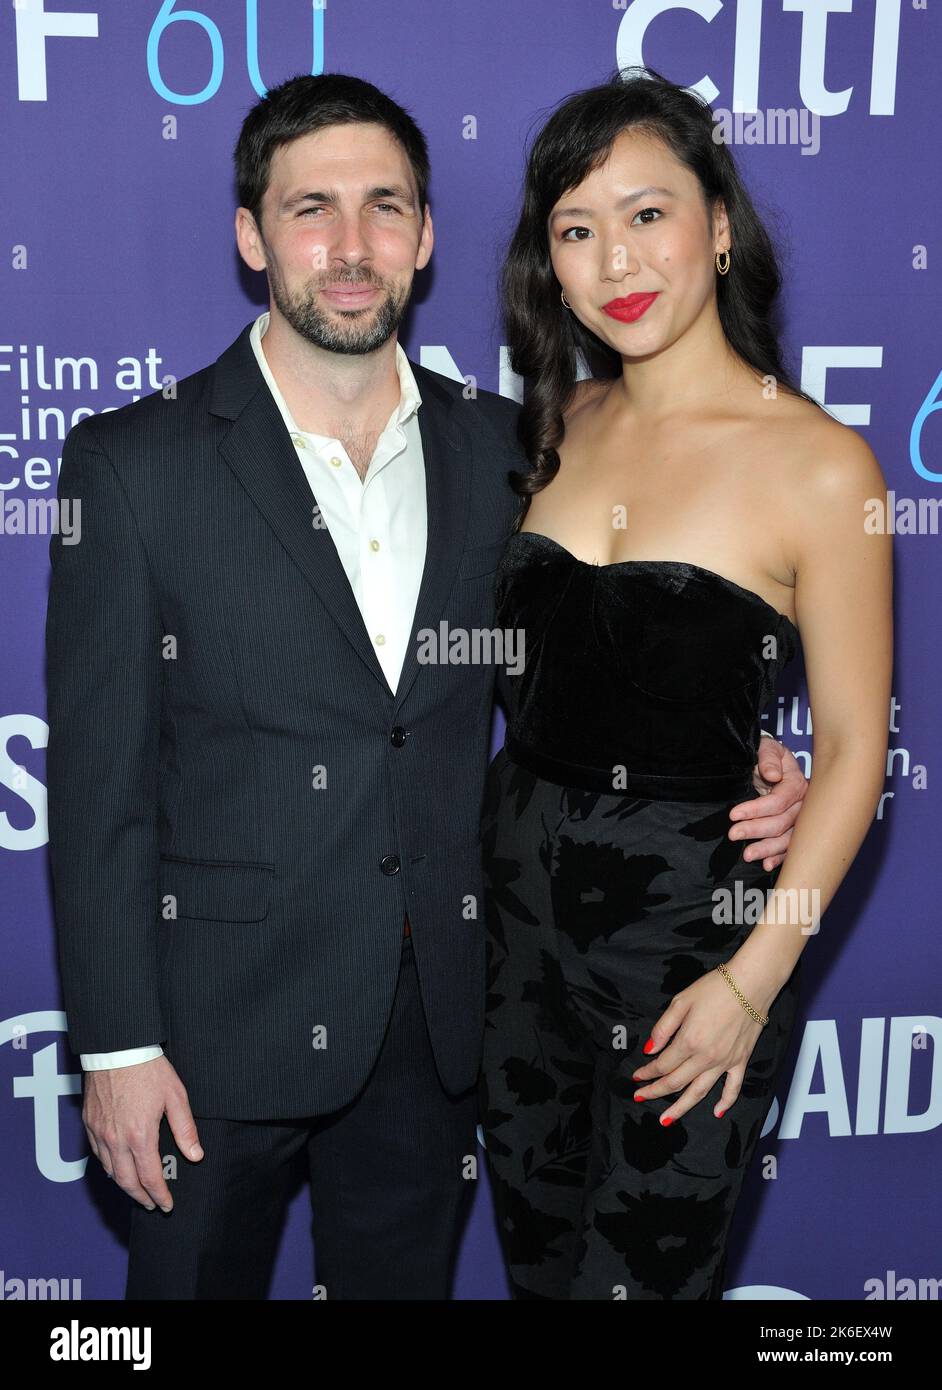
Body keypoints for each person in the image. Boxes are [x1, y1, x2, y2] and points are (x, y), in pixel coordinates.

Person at [45, 72, 807, 1302]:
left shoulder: (513, 450)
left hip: (451, 1024)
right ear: (251, 236)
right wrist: (121, 1046)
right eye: (311, 209)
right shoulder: (133, 466)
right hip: (211, 1035)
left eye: (384, 206)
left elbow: (595, 660)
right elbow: (95, 787)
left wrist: (749, 758)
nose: (350, 248)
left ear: (427, 235)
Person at [478, 68, 892, 1300]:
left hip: (692, 956)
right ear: (549, 264)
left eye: (648, 213)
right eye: (577, 228)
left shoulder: (820, 464)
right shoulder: (556, 422)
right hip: (512, 934)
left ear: (719, 222)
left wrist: (750, 987)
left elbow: (860, 754)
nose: (617, 259)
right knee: (542, 1270)